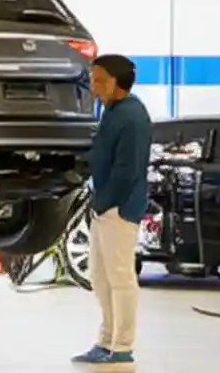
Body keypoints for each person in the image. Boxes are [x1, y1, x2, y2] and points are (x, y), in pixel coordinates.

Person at [72, 54, 152, 369]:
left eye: (97, 80)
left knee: (120, 277)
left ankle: (122, 346)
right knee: (100, 276)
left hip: (120, 207)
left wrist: (105, 202)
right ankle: (105, 340)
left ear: (116, 82)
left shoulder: (131, 116)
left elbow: (127, 169)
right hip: (104, 204)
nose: (92, 86)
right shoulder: (113, 112)